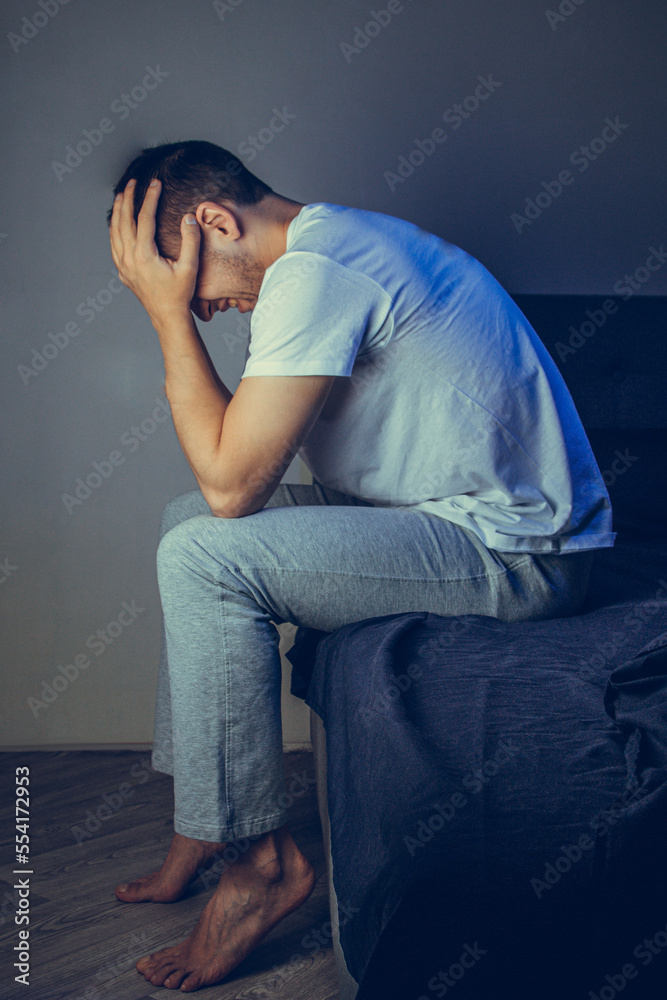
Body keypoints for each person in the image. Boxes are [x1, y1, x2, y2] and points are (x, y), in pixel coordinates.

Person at [106, 139, 614, 991]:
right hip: (428, 519)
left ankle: (259, 866)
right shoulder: (326, 251)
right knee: (181, 522)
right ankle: (207, 818)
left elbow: (234, 486)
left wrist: (160, 320)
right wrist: (168, 300)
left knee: (204, 547)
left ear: (214, 223)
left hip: (519, 554)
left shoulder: (318, 270)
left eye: (183, 284)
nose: (197, 310)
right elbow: (226, 480)